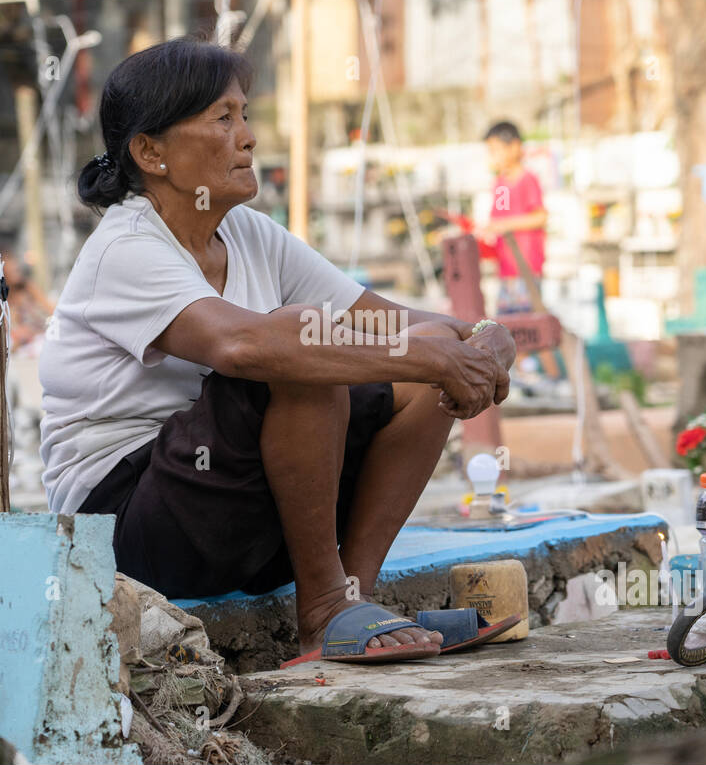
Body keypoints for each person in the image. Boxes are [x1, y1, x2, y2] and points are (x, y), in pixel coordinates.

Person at [38, 37, 516, 664]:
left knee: (402, 357)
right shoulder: (125, 246)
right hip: (126, 523)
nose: (247, 136)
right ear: (150, 152)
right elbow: (241, 345)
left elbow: (406, 327)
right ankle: (323, 612)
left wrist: (482, 337)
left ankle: (351, 599)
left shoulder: (247, 232)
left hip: (236, 512)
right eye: (222, 118)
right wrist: (434, 356)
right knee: (297, 347)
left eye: (244, 114)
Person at [478, 121, 548, 313]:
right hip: (505, 271)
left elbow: (539, 217)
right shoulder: (500, 183)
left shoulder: (527, 179)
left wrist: (504, 225)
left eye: (496, 150)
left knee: (528, 326)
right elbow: (497, 220)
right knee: (507, 327)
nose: (493, 156)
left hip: (526, 269)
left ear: (515, 146)